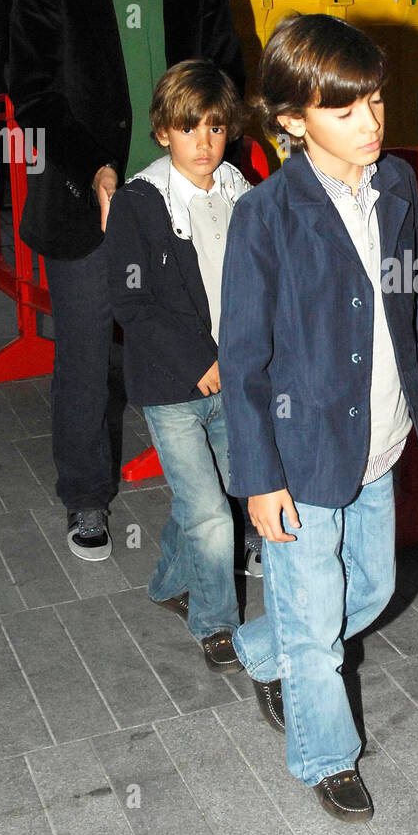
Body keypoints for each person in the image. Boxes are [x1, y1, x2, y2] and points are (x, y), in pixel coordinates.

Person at [220, 13, 418, 821]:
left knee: (370, 588)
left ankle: (259, 650)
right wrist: (259, 478)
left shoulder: (397, 183)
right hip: (302, 455)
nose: (370, 122)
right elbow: (243, 363)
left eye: (374, 99)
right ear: (292, 120)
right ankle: (325, 755)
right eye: (344, 108)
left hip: (383, 437)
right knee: (317, 635)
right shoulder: (266, 215)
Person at [9, 0, 244, 562]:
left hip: (184, 194)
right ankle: (85, 494)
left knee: (208, 339)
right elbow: (34, 91)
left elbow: (221, 71)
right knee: (82, 352)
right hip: (89, 198)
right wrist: (96, 167)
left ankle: (232, 498)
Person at [104, 59, 247, 669]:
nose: (204, 144)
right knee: (211, 514)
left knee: (220, 496)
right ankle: (216, 624)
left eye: (216, 129)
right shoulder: (142, 202)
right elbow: (132, 304)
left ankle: (167, 581)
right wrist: (199, 362)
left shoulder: (239, 189)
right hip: (172, 387)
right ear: (164, 131)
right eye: (190, 129)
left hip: (235, 378)